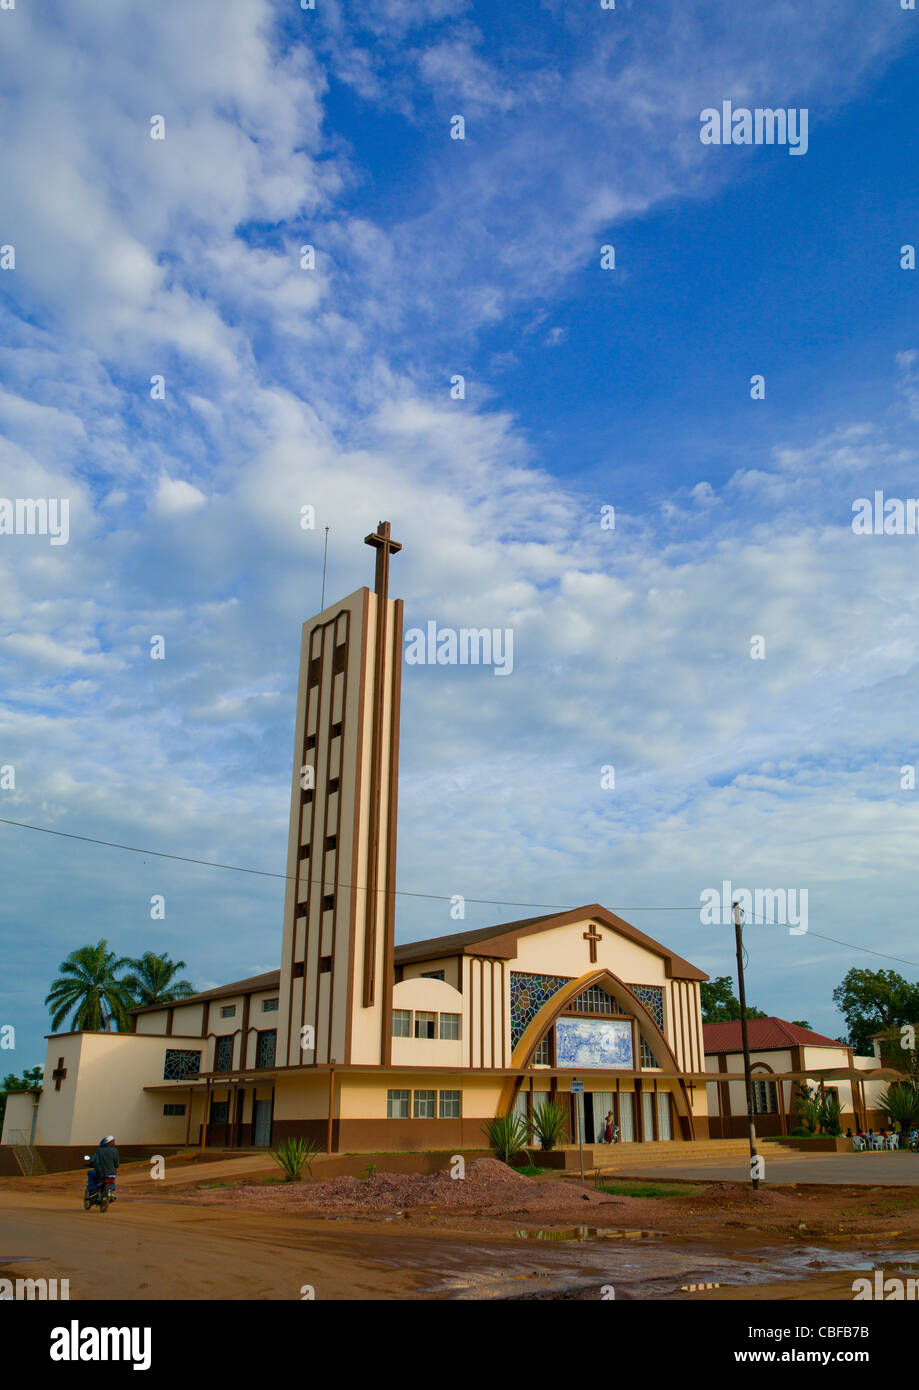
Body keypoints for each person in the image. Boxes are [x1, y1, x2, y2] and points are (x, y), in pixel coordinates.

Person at [89, 1135, 119, 1200]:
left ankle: (92, 1189)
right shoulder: (115, 1151)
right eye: (113, 1142)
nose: (114, 1143)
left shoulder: (99, 1150)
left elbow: (95, 1162)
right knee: (112, 1178)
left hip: (100, 1173)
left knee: (90, 1173)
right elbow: (117, 1165)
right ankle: (110, 1191)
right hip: (111, 1173)